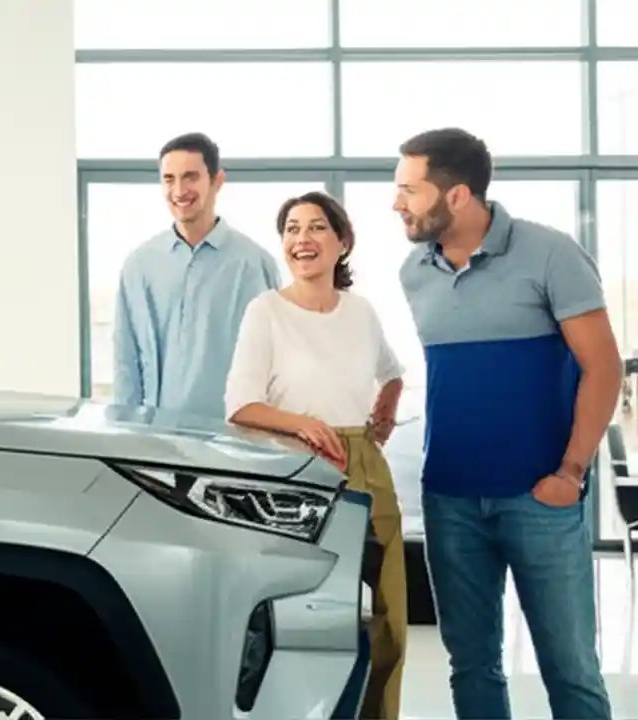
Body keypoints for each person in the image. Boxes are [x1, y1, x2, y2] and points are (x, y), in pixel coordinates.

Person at [394, 128, 620, 720]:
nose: (398, 204)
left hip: (540, 498)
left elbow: (604, 368)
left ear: (458, 195)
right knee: (471, 666)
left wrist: (571, 472)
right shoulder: (414, 270)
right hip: (450, 499)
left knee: (569, 669)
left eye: (409, 191)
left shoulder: (549, 252)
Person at [224, 191, 407, 720]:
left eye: (316, 227)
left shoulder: (362, 312)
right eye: (291, 229)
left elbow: (393, 371)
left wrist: (386, 410)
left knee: (391, 619)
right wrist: (303, 425)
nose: (302, 239)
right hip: (296, 469)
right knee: (306, 621)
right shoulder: (266, 312)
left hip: (365, 462)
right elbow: (240, 404)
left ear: (342, 242)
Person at [113, 132, 281, 419]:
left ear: (217, 181)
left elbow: (275, 364)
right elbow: (125, 362)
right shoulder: (139, 266)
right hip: (157, 442)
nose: (179, 190)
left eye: (190, 177)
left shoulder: (255, 264)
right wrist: (126, 435)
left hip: (236, 443)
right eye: (169, 179)